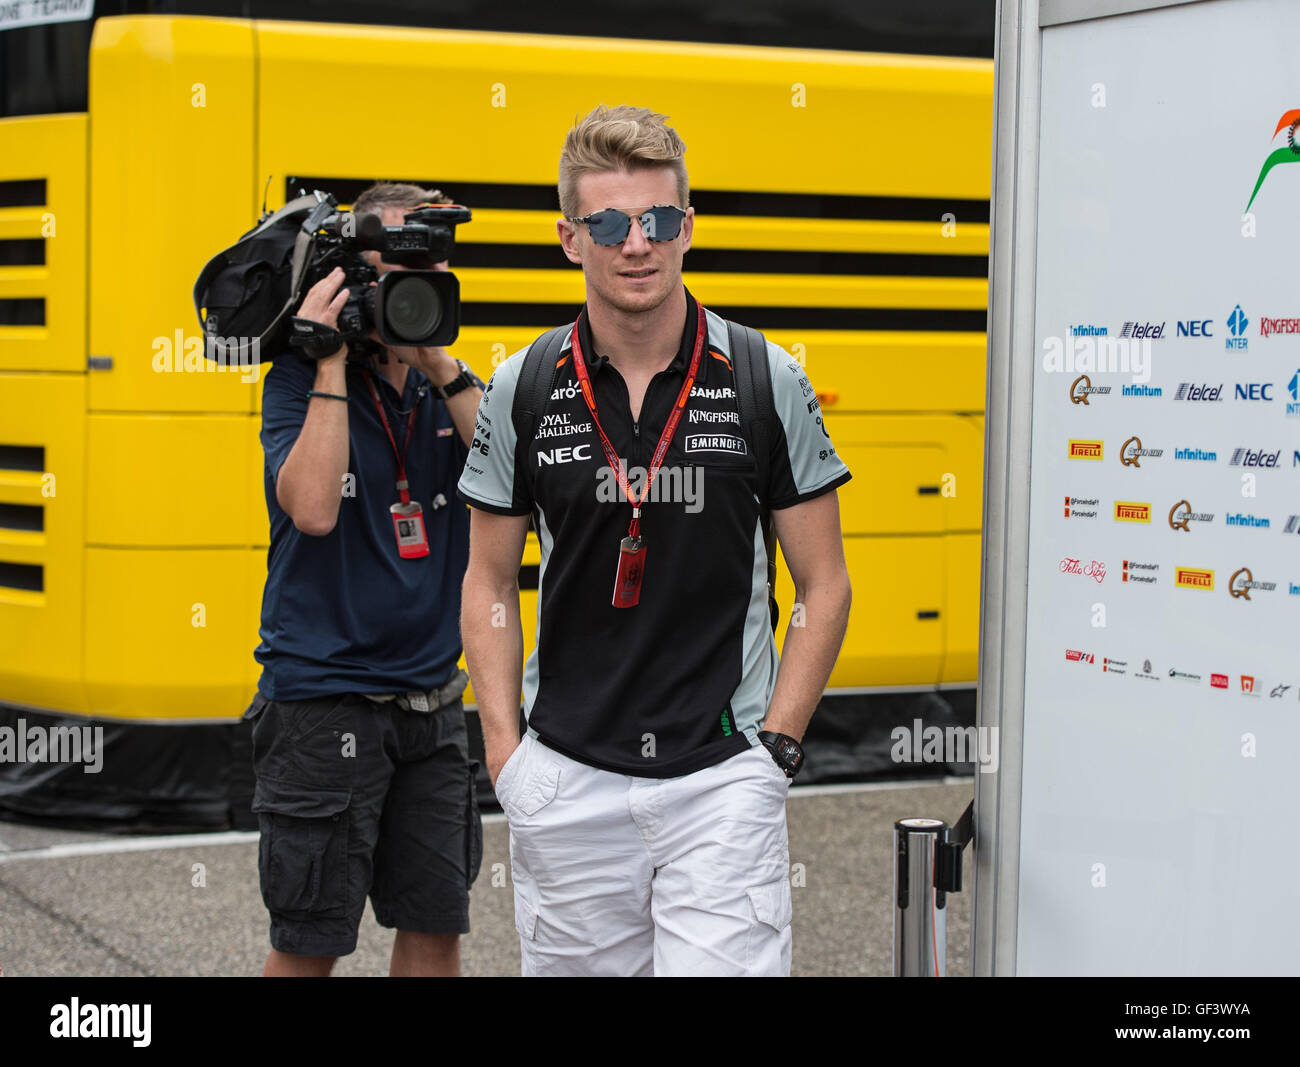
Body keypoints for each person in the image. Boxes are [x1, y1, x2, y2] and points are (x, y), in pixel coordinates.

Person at [458, 105, 852, 976]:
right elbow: (486, 579)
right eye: (608, 224)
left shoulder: (765, 375)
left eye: (658, 221)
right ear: (570, 237)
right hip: (565, 779)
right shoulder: (523, 384)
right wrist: (504, 753)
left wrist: (774, 753)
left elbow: (824, 584)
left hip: (721, 780)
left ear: (687, 227)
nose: (636, 244)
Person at [246, 182, 485, 977]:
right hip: (323, 702)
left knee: (433, 926)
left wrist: (439, 359)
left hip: (433, 704)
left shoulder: (445, 385)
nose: (410, 289)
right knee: (310, 942)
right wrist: (330, 359)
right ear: (349, 274)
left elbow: (517, 483)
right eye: (391, 270)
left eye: (431, 268)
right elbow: (313, 508)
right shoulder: (295, 379)